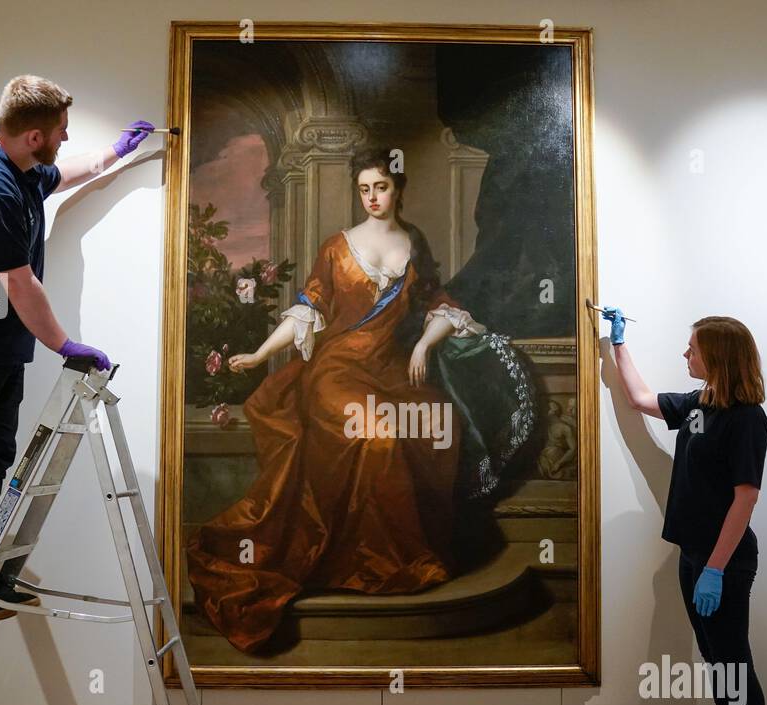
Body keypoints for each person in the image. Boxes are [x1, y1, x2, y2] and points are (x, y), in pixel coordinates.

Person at [186, 147, 536, 652]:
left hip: (391, 369)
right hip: (335, 369)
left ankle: (391, 559)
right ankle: (362, 560)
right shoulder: (336, 247)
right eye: (364, 189)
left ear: (398, 188)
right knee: (378, 436)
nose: (372, 197)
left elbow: (441, 304)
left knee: (431, 426)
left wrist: (422, 342)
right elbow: (307, 310)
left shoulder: (414, 244)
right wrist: (262, 353)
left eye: (381, 187)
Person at [0, 74, 152, 620]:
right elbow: (19, 283)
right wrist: (66, 345)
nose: (65, 139)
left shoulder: (17, 169)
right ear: (35, 136)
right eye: (61, 131)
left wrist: (115, 151)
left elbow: (61, 175)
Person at [600, 308, 767, 705]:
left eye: (692, 347)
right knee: (719, 665)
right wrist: (618, 343)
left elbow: (746, 498)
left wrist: (716, 568)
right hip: (694, 556)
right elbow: (638, 399)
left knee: (734, 665)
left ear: (716, 355)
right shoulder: (701, 404)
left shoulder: (746, 420)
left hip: (725, 562)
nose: (685, 353)